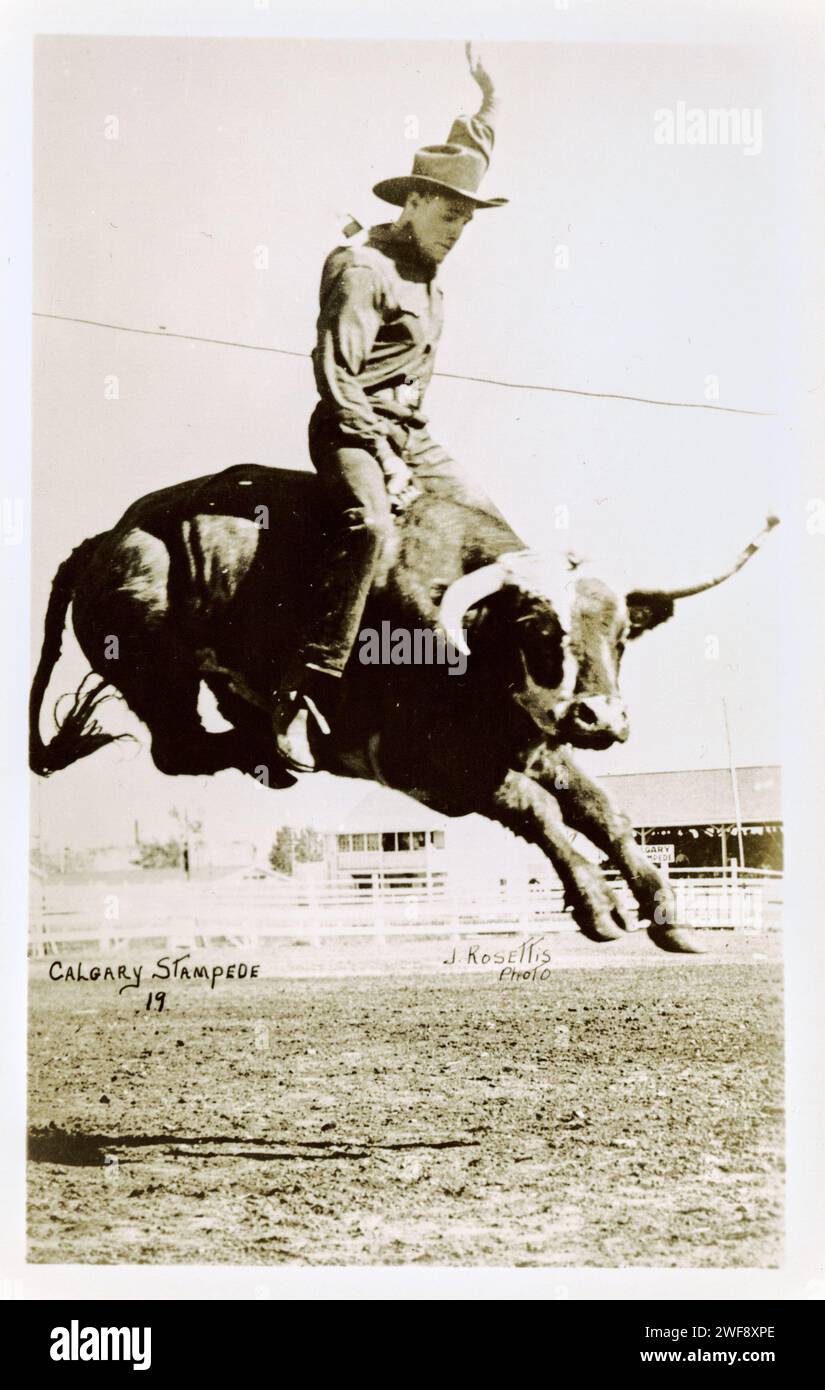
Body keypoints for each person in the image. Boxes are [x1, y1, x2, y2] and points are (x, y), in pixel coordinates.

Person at [274, 43, 509, 772]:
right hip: (350, 429)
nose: (454, 231)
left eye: (466, 222)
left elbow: (471, 150)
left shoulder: (426, 259)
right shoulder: (361, 269)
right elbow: (335, 375)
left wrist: (488, 99)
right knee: (372, 526)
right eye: (446, 215)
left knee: (497, 535)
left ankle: (500, 685)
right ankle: (304, 693)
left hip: (414, 435)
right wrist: (378, 453)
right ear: (410, 202)